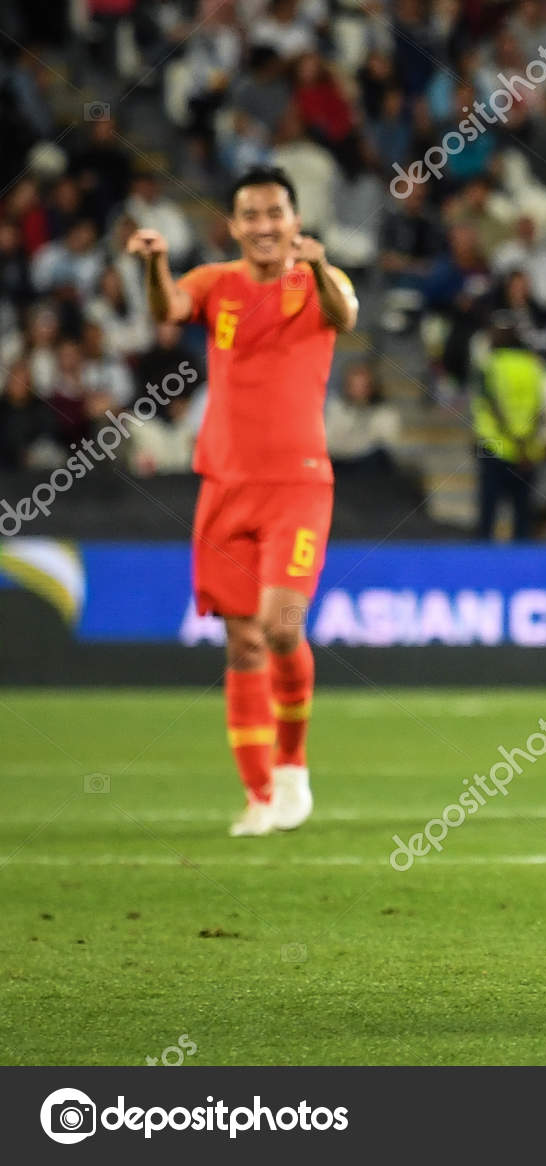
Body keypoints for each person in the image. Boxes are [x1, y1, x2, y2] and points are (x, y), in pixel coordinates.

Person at [126, 165, 358, 838]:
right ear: (234, 226)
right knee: (241, 644)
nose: (264, 225)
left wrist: (316, 269)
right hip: (225, 486)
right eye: (250, 215)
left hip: (298, 486)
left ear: (293, 219)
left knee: (281, 625)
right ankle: (258, 796)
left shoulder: (322, 280)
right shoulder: (214, 283)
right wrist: (158, 264)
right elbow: (166, 310)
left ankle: (292, 770)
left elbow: (343, 313)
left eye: (275, 212)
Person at [473, 314, 545, 541]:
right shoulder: (532, 365)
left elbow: (493, 405)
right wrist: (524, 441)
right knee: (522, 513)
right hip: (526, 448)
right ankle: (522, 568)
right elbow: (538, 407)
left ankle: (483, 560)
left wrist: (512, 438)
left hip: (493, 444)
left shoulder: (491, 364)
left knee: (488, 510)